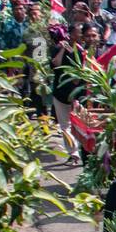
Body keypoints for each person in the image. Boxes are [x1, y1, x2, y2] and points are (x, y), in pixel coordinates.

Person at [51, 22, 88, 164]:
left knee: (78, 124)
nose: (80, 35)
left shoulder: (81, 50)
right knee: (65, 125)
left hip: (77, 94)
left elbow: (82, 73)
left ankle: (79, 150)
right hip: (61, 92)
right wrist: (62, 49)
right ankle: (73, 153)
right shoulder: (58, 47)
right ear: (71, 34)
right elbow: (55, 64)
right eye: (78, 32)